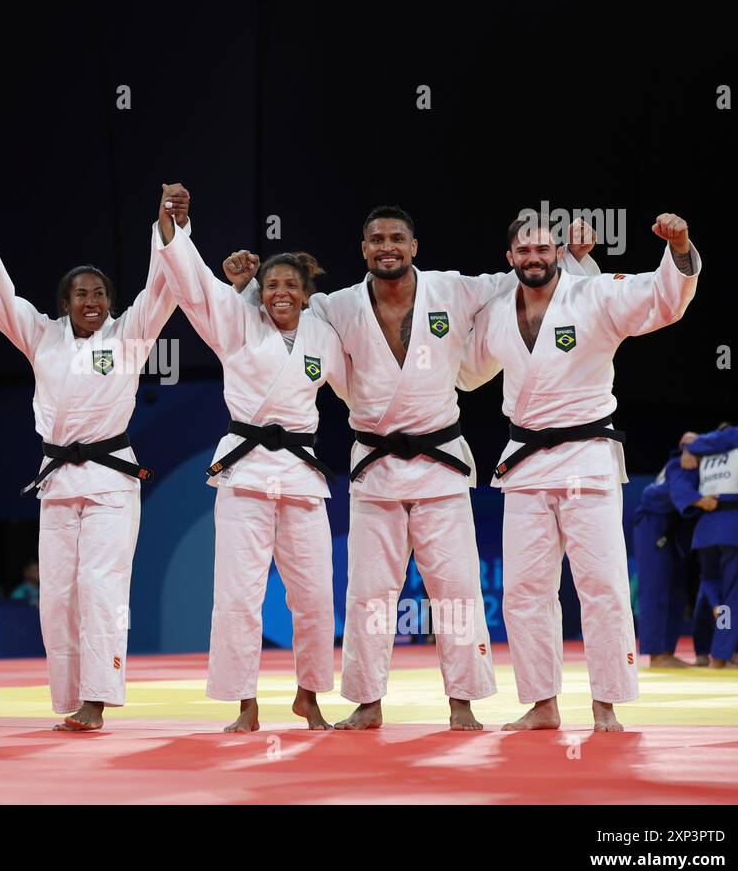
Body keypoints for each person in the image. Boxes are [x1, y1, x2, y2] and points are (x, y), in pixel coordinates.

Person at [228, 206, 598, 730]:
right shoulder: (336, 307)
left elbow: (528, 274)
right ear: (363, 250)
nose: (387, 247)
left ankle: (462, 701)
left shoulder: (453, 290)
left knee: (457, 588)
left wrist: (576, 260)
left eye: (397, 238)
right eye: (376, 239)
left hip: (440, 465)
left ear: (414, 246)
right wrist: (245, 289)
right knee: (369, 591)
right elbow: (281, 317)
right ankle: (367, 701)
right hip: (375, 466)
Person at [0, 190, 180, 731]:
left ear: (111, 303)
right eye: (80, 294)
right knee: (57, 597)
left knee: (101, 589)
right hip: (56, 481)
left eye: (99, 293)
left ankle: (97, 701)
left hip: (110, 480)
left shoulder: (129, 337)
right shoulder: (41, 337)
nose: (90, 301)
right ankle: (71, 696)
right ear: (64, 303)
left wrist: (168, 229)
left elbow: (161, 291)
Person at [459, 213, 700, 731]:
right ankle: (542, 703)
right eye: (523, 251)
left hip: (587, 459)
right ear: (510, 259)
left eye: (544, 249)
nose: (534, 258)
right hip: (524, 464)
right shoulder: (499, 312)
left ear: (559, 252)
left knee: (603, 586)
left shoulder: (593, 294)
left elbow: (660, 299)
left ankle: (605, 704)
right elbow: (467, 371)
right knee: (525, 590)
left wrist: (678, 248)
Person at [158, 189, 349, 732]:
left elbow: (362, 390)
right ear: (258, 293)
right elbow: (195, 288)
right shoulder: (236, 326)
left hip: (301, 475)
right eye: (271, 285)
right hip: (244, 473)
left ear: (308, 295)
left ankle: (309, 695)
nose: (281, 292)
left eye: (291, 285)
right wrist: (176, 224)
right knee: (239, 593)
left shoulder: (325, 339)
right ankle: (245, 702)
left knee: (313, 592)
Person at [680, 423, 738, 667]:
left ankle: (719, 628)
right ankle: (721, 656)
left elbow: (690, 443)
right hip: (735, 528)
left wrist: (688, 447)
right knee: (735, 596)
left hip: (706, 531)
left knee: (714, 588)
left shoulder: (706, 455)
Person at [633, 440, 703, 667]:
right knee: (655, 589)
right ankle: (655, 653)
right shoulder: (682, 464)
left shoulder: (691, 461)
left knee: (677, 592)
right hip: (654, 523)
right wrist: (702, 501)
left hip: (673, 528)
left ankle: (666, 651)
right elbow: (680, 492)